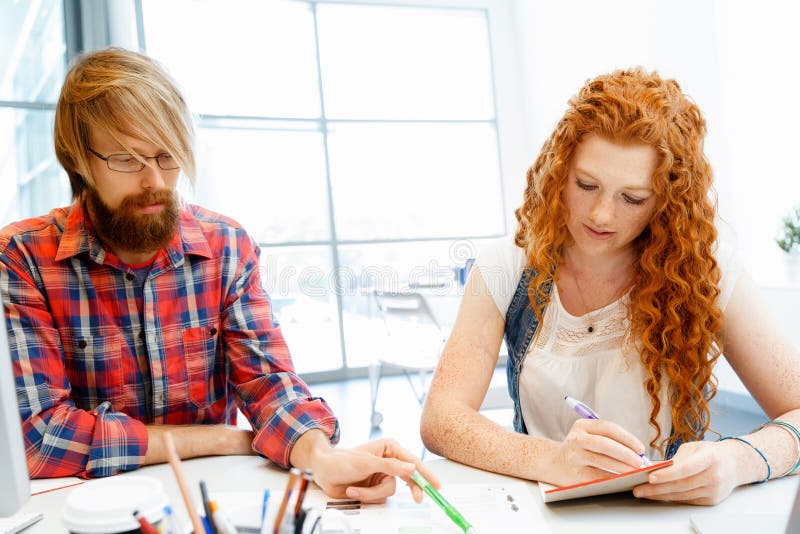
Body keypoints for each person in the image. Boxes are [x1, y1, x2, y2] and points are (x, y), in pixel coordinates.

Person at [0, 47, 438, 503]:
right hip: (91, 511)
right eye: (126, 160)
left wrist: (321, 457)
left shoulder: (226, 247)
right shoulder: (24, 257)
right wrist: (227, 439)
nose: (155, 180)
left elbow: (271, 386)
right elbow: (40, 438)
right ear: (78, 160)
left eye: (167, 155)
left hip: (212, 501)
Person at [420, 68, 800, 505]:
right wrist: (552, 460)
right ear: (559, 171)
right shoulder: (507, 266)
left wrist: (739, 460)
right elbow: (441, 419)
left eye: (632, 199)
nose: (601, 215)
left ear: (667, 200)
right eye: (586, 185)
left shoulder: (706, 272)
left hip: (664, 519)